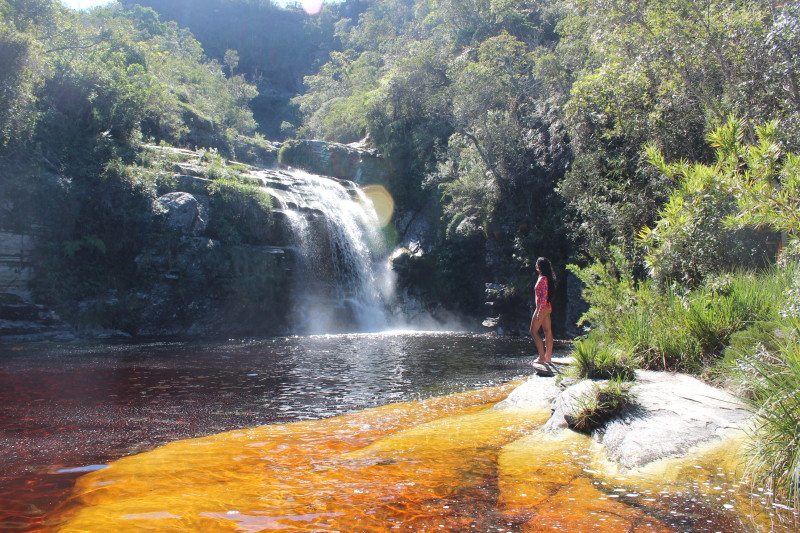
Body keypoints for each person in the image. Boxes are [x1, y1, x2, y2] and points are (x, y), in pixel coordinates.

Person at [530, 257, 555, 364]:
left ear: (539, 266)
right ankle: (548, 357)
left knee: (533, 331)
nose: (535, 265)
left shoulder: (543, 278)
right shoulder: (545, 277)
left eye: (537, 264)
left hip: (542, 307)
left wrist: (539, 311)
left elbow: (543, 296)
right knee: (547, 331)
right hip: (546, 307)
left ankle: (542, 357)